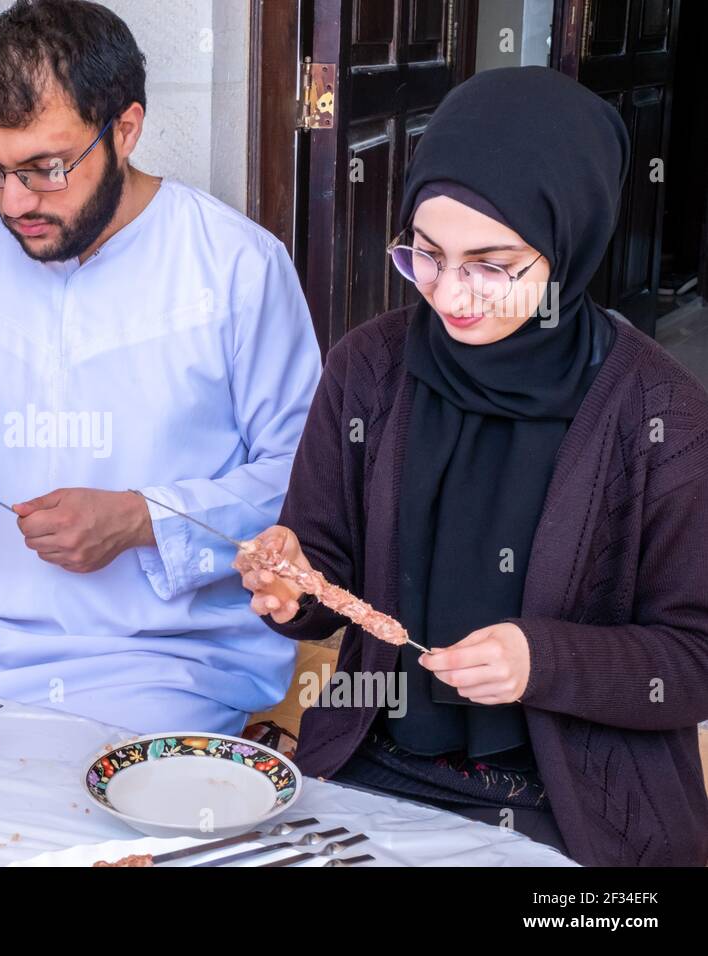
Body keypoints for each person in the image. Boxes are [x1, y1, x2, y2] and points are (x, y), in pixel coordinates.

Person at [240, 66, 708, 866]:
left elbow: (692, 658)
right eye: (424, 254)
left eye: (492, 265)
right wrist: (290, 586)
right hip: (372, 765)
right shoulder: (368, 370)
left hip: (573, 808)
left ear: (569, 241)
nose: (451, 295)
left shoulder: (657, 414)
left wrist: (546, 662)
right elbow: (323, 575)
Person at [0, 0, 321, 734]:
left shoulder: (236, 266)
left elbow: (302, 483)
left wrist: (140, 520)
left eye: (45, 168)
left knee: (79, 830)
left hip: (159, 656)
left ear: (124, 130)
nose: (15, 201)